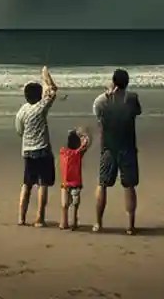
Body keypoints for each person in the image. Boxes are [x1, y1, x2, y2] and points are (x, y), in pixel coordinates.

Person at [93, 68, 142, 235]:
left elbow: (97, 113)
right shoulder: (132, 98)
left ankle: (98, 223)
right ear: (127, 83)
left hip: (108, 147)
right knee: (129, 186)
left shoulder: (103, 101)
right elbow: (137, 111)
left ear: (113, 82)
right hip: (127, 146)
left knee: (102, 184)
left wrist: (108, 92)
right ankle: (130, 225)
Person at [14, 65, 58, 227]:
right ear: (39, 96)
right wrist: (45, 75)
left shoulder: (22, 111)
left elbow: (19, 130)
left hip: (27, 150)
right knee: (42, 184)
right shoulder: (40, 108)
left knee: (27, 184)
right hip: (42, 150)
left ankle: (21, 217)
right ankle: (40, 218)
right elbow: (53, 91)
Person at [58, 126, 91, 230]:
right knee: (75, 204)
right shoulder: (78, 153)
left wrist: (72, 133)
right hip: (76, 183)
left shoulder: (63, 152)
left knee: (64, 205)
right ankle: (74, 221)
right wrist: (83, 135)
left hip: (65, 183)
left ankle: (64, 222)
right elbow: (86, 144)